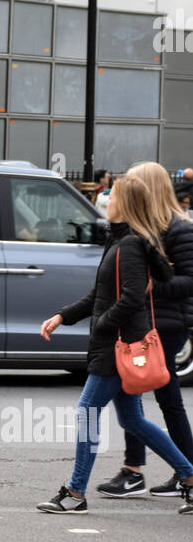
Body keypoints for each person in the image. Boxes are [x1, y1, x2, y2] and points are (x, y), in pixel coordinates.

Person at [37, 173, 193, 516]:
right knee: (133, 420)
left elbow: (133, 297)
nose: (107, 202)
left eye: (113, 197)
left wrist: (103, 327)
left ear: (126, 204)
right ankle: (190, 476)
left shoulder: (131, 245)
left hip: (118, 344)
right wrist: (64, 316)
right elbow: (101, 293)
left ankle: (76, 492)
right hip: (118, 341)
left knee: (87, 412)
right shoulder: (122, 240)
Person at [96, 162, 193, 498]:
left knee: (164, 398)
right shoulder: (144, 228)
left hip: (167, 324)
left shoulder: (179, 228)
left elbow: (189, 281)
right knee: (135, 392)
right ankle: (141, 469)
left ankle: (180, 471)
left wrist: (152, 287)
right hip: (146, 322)